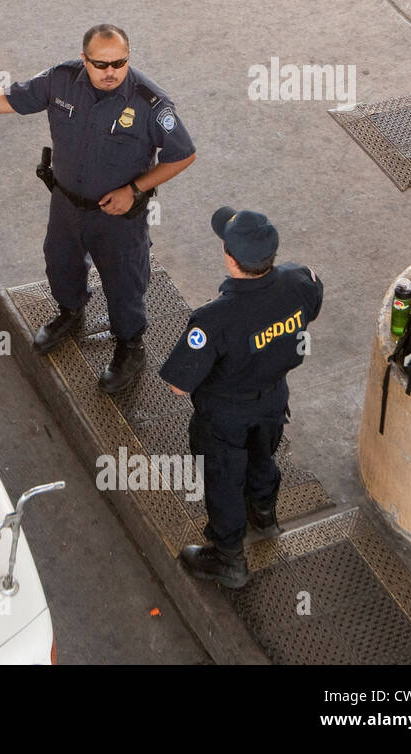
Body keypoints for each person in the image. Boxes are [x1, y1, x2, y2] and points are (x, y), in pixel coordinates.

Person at [0, 25, 196, 392]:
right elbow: (7, 99)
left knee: (124, 280)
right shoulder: (62, 80)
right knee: (60, 262)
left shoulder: (150, 103)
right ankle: (70, 312)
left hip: (117, 217)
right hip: (65, 203)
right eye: (101, 64)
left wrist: (135, 189)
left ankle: (130, 346)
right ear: (84, 60)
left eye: (120, 63)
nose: (111, 72)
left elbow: (183, 153)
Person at [159, 207, 324, 588]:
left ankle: (228, 557)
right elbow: (312, 304)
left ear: (230, 259)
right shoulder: (300, 281)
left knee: (223, 478)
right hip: (272, 399)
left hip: (225, 415)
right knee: (262, 455)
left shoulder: (214, 319)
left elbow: (177, 385)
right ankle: (264, 511)